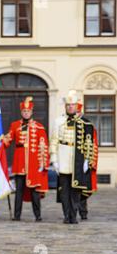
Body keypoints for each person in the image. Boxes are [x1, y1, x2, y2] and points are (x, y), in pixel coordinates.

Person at [50, 90, 95, 224]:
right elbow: (53, 141)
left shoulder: (84, 123)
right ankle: (66, 215)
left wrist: (87, 160)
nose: (70, 107)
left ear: (77, 106)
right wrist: (54, 160)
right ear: (65, 107)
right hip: (62, 156)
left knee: (75, 189)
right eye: (68, 105)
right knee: (64, 191)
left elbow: (88, 142)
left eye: (73, 105)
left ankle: (73, 215)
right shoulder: (58, 121)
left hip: (77, 159)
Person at [3, 97, 49, 222]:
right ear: (21, 112)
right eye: (24, 111)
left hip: (33, 163)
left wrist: (43, 164)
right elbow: (8, 140)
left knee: (34, 191)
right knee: (19, 191)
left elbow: (43, 145)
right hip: (19, 162)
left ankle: (37, 215)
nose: (26, 113)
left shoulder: (39, 127)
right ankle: (17, 215)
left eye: (28, 111)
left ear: (31, 112)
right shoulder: (15, 125)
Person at [76, 100, 98, 220]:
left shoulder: (87, 124)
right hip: (73, 160)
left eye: (78, 111)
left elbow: (92, 143)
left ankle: (83, 212)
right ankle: (72, 211)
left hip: (84, 160)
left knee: (83, 188)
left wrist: (89, 161)